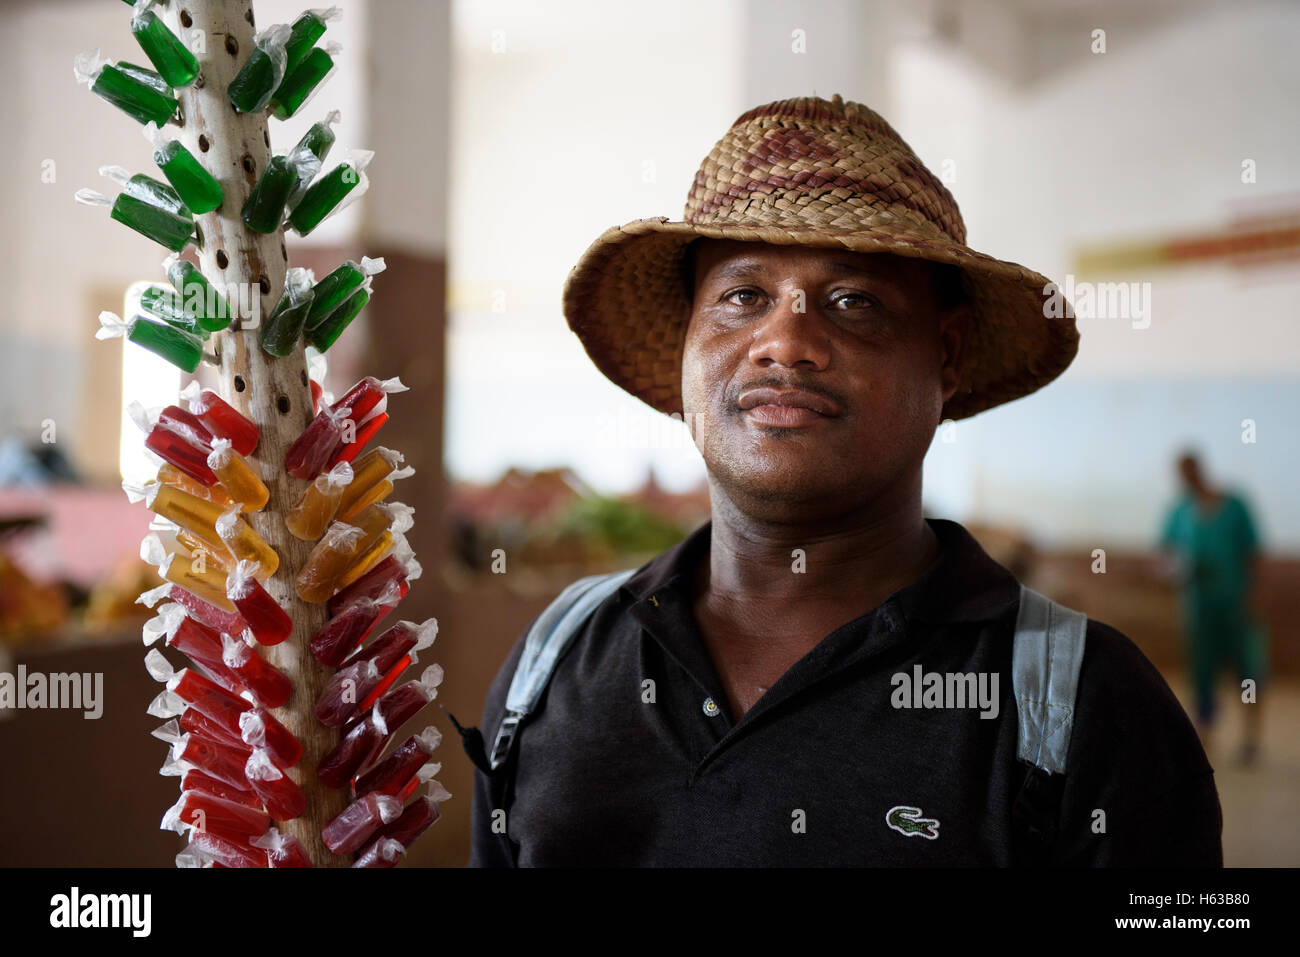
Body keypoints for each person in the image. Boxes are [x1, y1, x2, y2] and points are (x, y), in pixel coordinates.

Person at [454, 94, 1222, 865]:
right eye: (743, 296)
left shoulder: (1078, 705)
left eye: (853, 301)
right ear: (690, 337)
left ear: (946, 357)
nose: (784, 341)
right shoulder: (553, 662)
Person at [1159, 450, 1265, 763]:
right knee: (1202, 673)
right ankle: (1205, 735)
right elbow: (1167, 556)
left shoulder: (1235, 506)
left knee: (1248, 670)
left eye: (1190, 471)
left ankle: (1251, 737)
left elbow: (1253, 553)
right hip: (1199, 609)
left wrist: (1254, 597)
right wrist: (1176, 571)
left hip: (1237, 605)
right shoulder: (1180, 512)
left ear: (1200, 470)